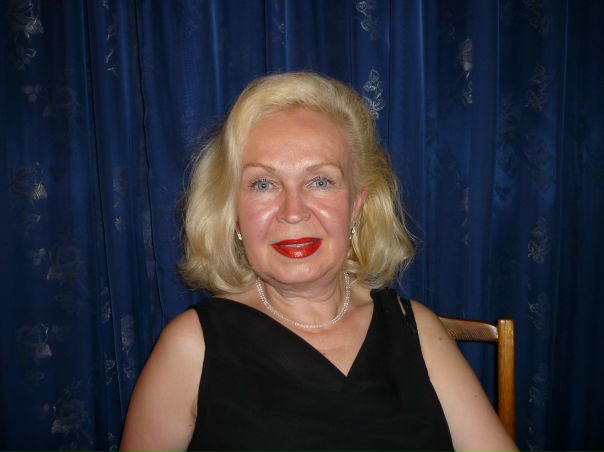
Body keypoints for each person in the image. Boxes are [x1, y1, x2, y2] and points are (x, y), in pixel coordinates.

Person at [119, 72, 518, 452]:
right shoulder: (191, 346)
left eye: (320, 181)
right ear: (232, 213)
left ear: (356, 206)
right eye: (263, 184)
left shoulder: (417, 329)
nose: (293, 212)